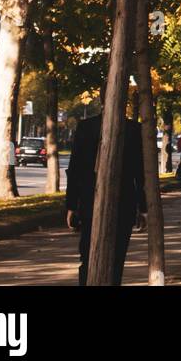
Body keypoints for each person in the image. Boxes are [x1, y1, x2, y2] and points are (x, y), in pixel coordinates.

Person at [65, 90, 147, 287]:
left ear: (101, 99)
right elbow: (140, 172)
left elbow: (74, 169)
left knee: (88, 254)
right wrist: (143, 207)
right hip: (124, 201)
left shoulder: (86, 127)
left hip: (89, 200)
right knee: (117, 258)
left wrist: (71, 205)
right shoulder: (133, 129)